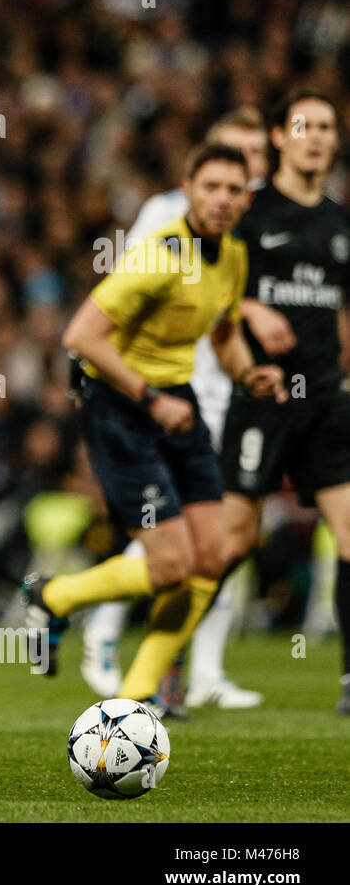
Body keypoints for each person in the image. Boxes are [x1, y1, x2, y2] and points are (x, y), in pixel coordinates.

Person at [22, 143, 286, 712]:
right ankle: (53, 595)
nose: (222, 199)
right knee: (169, 565)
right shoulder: (158, 254)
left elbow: (224, 332)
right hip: (120, 405)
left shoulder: (233, 256)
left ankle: (137, 699)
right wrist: (150, 397)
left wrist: (250, 373)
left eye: (234, 190)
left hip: (177, 400)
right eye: (211, 187)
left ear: (246, 199)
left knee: (212, 558)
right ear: (187, 189)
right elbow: (81, 336)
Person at [216, 90, 350, 715]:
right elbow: (206, 286)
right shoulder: (248, 211)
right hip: (262, 398)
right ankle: (175, 667)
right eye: (304, 126)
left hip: (326, 401)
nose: (316, 137)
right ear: (278, 136)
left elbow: (342, 313)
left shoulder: (340, 222)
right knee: (232, 541)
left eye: (326, 127)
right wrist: (250, 309)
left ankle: (349, 680)